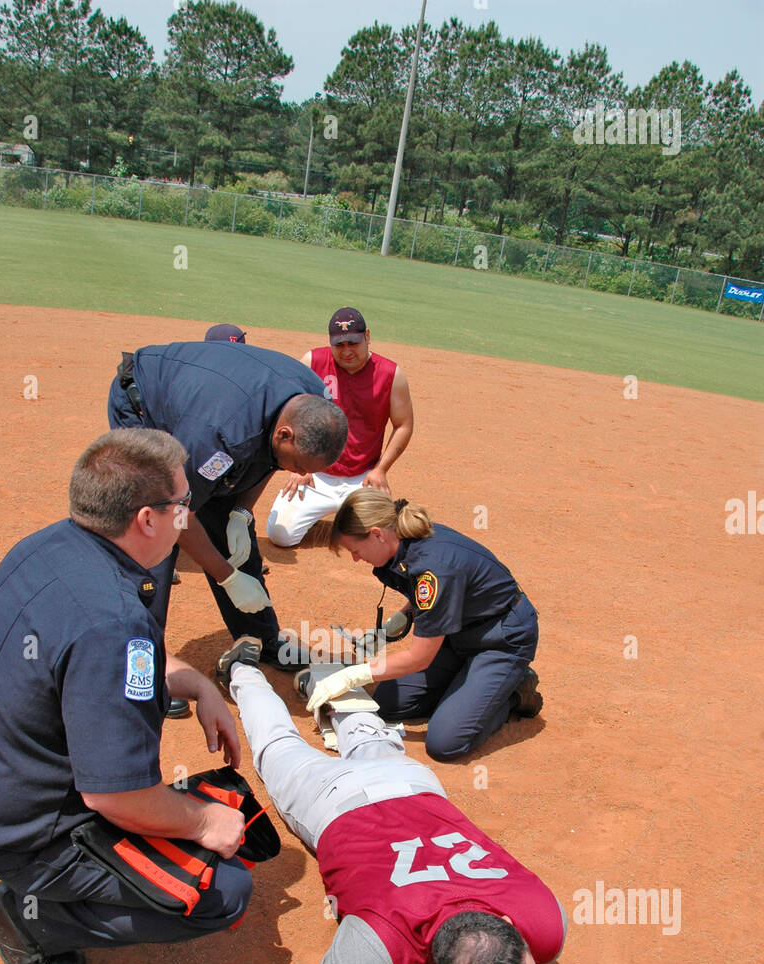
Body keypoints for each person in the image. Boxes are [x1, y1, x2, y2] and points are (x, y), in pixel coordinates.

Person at [0, 430, 253, 964]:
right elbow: (114, 797)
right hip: (27, 832)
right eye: (183, 504)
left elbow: (115, 651)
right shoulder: (112, 622)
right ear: (148, 519)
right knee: (223, 893)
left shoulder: (55, 545)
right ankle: (27, 919)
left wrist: (198, 683)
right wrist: (203, 821)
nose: (189, 514)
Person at [214, 638, 566, 964]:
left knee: (367, 731)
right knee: (277, 747)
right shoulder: (381, 943)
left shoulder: (539, 919)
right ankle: (243, 673)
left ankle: (288, 675)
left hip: (411, 784)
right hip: (335, 802)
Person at [107, 341, 348, 670]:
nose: (302, 474)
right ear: (286, 434)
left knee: (231, 525)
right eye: (300, 464)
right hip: (145, 408)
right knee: (156, 534)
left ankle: (260, 637)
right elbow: (176, 512)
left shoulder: (311, 402)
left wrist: (242, 511)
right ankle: (143, 664)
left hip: (218, 410)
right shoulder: (222, 435)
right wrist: (228, 577)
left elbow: (270, 460)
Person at [305, 492, 543, 762]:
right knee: (386, 705)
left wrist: (351, 675)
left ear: (376, 534)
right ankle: (468, 689)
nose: (356, 560)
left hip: (500, 640)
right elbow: (426, 594)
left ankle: (513, 692)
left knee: (445, 742)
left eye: (355, 551)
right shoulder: (405, 538)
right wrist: (401, 618)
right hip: (457, 633)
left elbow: (419, 657)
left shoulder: (435, 569)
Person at [266, 308, 414, 548]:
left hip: (363, 478)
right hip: (315, 474)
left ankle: (348, 520)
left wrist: (380, 470)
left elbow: (403, 424)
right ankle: (331, 521)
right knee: (280, 536)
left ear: (367, 336)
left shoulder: (391, 374)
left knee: (386, 539)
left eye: (353, 343)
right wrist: (298, 465)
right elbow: (289, 414)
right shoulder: (312, 362)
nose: (346, 351)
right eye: (339, 344)